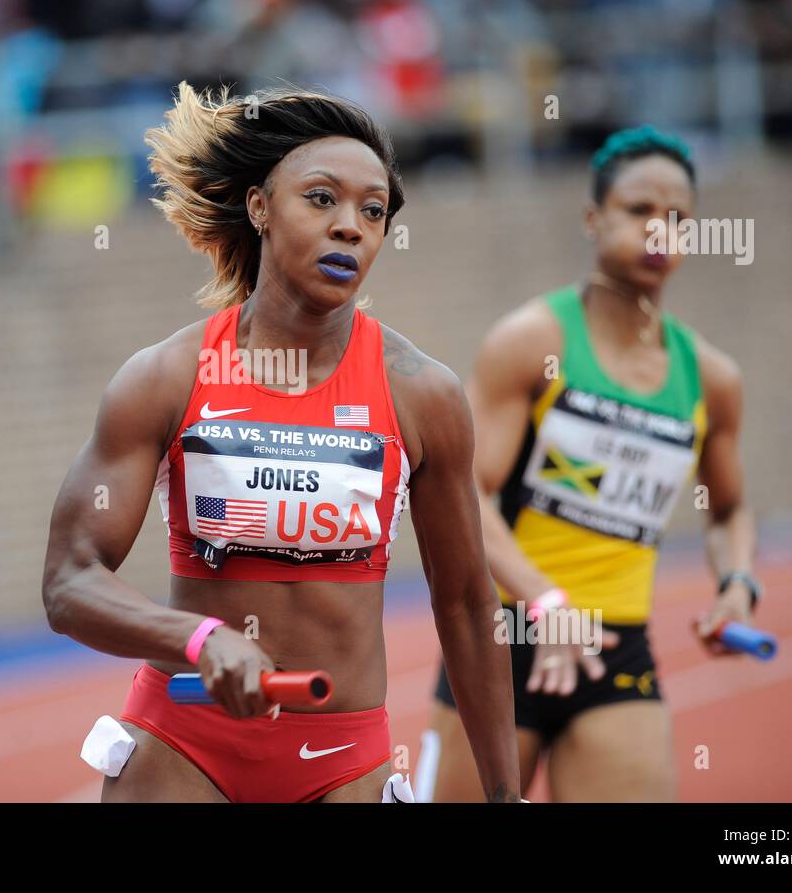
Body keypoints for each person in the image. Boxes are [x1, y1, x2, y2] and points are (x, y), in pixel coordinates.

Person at [42, 82, 520, 802]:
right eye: (321, 198)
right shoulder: (165, 378)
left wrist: (506, 794)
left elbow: (465, 604)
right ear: (260, 207)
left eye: (373, 210)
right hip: (184, 744)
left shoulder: (422, 393)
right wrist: (199, 639)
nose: (350, 227)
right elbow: (69, 581)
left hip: (340, 756)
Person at [421, 127, 760, 802]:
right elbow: (467, 498)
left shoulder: (711, 378)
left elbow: (727, 508)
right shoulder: (531, 342)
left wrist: (737, 582)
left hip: (615, 646)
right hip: (506, 636)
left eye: (678, 219)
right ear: (593, 217)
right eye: (639, 212)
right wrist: (547, 603)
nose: (660, 232)